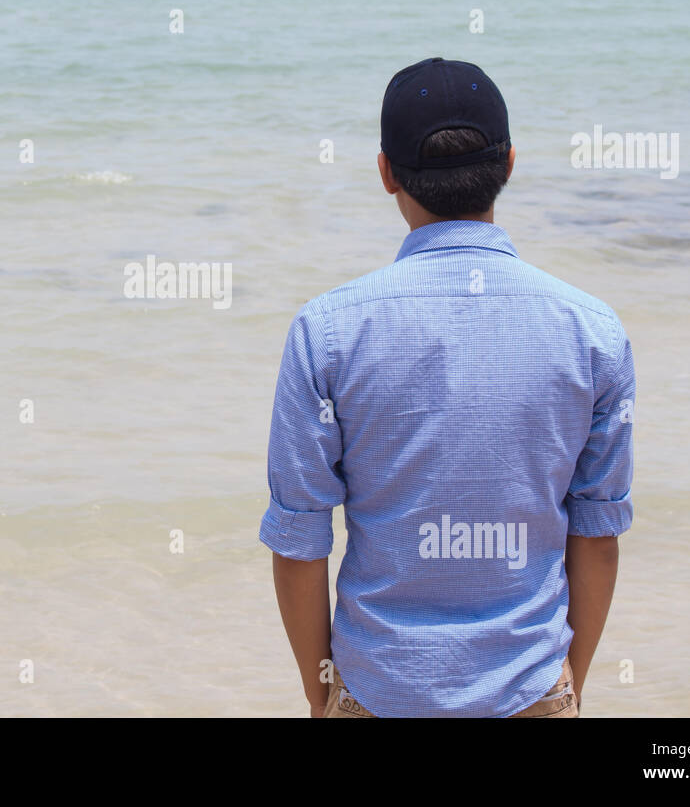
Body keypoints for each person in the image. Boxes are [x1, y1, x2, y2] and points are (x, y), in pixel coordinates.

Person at [261, 58, 634, 717]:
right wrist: (565, 681)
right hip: (531, 685)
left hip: (378, 689)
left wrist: (324, 697)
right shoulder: (592, 332)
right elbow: (597, 534)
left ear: (385, 173)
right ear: (511, 163)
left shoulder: (326, 331)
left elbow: (299, 542)